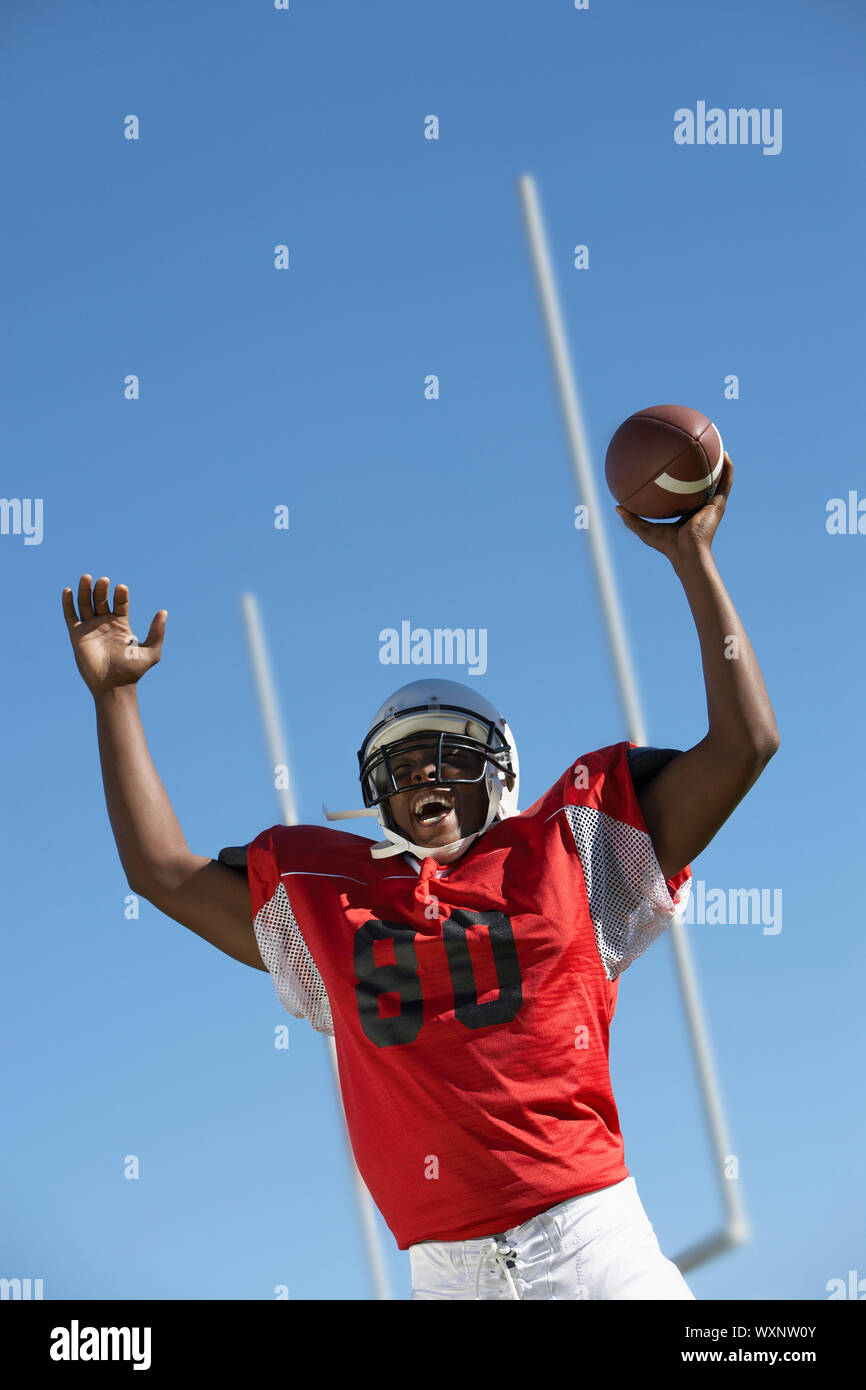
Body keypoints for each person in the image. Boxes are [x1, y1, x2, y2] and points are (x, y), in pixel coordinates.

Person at [62, 454, 779, 1299]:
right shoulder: (330, 894)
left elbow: (745, 746)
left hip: (590, 1245)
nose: (423, 780)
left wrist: (692, 558)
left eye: (448, 760)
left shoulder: (569, 847)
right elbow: (161, 872)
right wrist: (115, 701)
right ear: (376, 798)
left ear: (500, 777)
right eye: (400, 769)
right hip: (443, 1275)